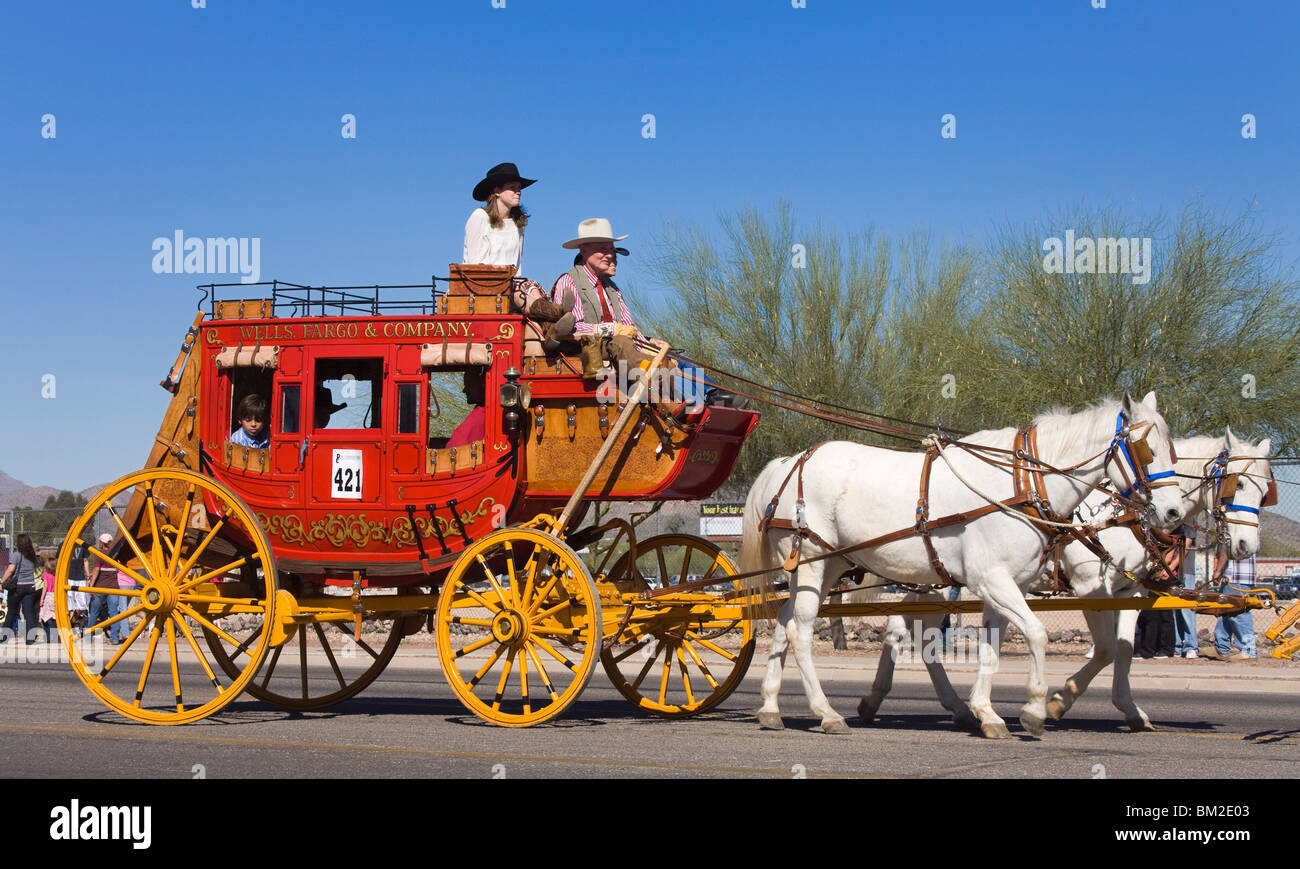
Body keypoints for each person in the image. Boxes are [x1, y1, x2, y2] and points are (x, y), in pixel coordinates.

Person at [550, 218, 667, 376]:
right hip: (585, 350)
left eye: (611, 249)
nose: (610, 254)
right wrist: (611, 328)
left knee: (662, 353)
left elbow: (628, 326)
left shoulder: (612, 287)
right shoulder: (569, 281)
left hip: (616, 348)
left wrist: (647, 346)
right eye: (603, 249)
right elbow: (571, 328)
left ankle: (683, 393)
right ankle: (657, 381)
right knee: (621, 342)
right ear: (584, 250)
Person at [462, 162, 557, 319]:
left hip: (511, 284)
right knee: (518, 292)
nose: (518, 192)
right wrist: (505, 283)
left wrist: (520, 284)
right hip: (482, 285)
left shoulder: (517, 223)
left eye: (519, 188)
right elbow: (473, 264)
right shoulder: (479, 217)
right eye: (512, 187)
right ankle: (554, 314)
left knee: (530, 288)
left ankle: (552, 320)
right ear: (497, 191)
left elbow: (517, 267)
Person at [1212, 548, 1258, 660]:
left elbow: (1227, 548)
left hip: (1234, 574)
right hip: (1240, 575)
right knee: (1226, 613)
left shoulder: (1232, 529)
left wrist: (1218, 571)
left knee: (1239, 613)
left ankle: (1248, 651)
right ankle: (1221, 649)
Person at [1, 533, 42, 644]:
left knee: (12, 612)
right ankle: (29, 639)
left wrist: (2, 581)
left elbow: (10, 569)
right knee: (28, 613)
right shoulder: (31, 555)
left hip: (17, 587)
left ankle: (3, 637)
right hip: (30, 586)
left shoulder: (16, 555)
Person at [86, 532, 120, 643]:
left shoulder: (99, 554)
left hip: (100, 587)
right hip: (113, 587)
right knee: (114, 612)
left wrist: (91, 584)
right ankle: (114, 637)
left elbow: (96, 570)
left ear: (101, 543)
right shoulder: (116, 554)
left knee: (94, 612)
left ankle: (88, 636)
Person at [1173, 526, 1199, 658]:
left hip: (1185, 570)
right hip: (1171, 571)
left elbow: (1187, 545)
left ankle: (1191, 646)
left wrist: (1172, 564)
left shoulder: (1189, 520)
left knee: (1186, 609)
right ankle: (1177, 645)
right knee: (1173, 608)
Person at [446, 369, 487, 448]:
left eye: (469, 384)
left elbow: (456, 447)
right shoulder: (482, 412)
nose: (464, 390)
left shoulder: (481, 414)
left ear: (483, 383)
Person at [38, 556, 58, 642]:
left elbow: (45, 587)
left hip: (48, 597)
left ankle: (49, 636)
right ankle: (55, 636)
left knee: (46, 617)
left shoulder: (45, 575)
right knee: (54, 617)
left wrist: (41, 599)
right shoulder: (57, 575)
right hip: (56, 596)